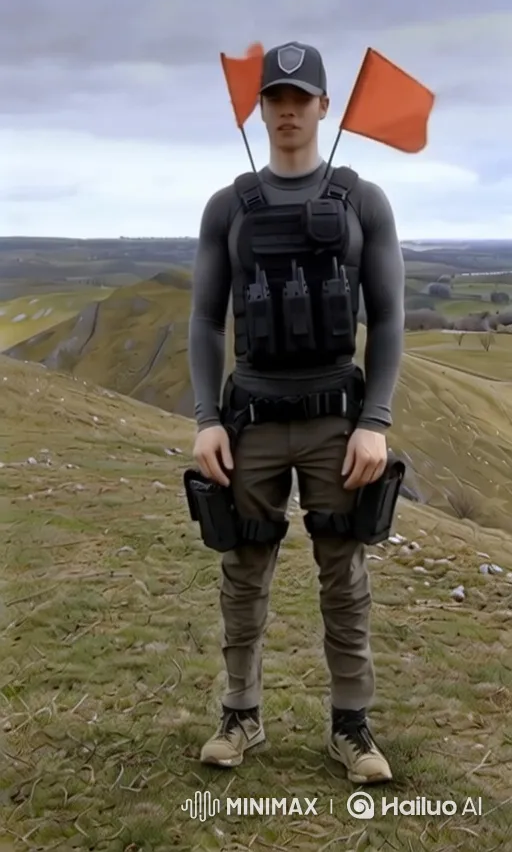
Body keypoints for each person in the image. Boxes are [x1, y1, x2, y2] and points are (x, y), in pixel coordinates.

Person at [188, 41, 405, 785]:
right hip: (248, 420)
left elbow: (391, 319)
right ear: (261, 108)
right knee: (243, 569)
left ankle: (352, 726)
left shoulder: (364, 201)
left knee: (343, 573)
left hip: (335, 424)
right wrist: (205, 418)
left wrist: (375, 422)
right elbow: (204, 321)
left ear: (324, 106)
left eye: (300, 98)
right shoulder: (228, 207)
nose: (287, 111)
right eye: (275, 98)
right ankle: (239, 716)